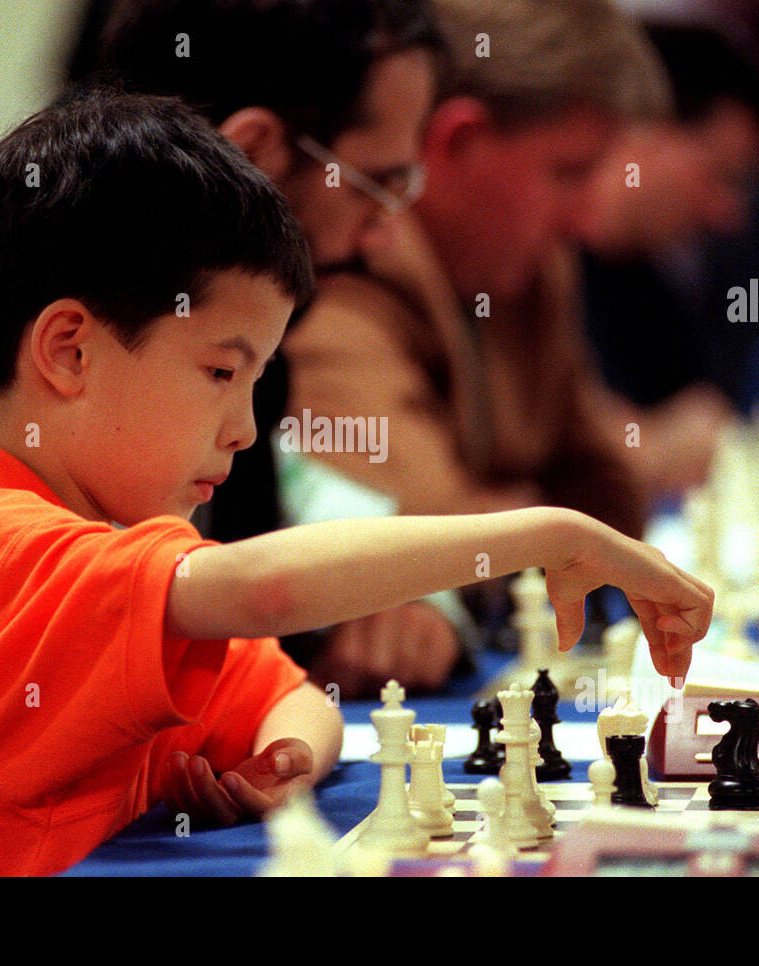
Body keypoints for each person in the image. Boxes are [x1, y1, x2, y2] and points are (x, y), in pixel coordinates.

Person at [0, 89, 712, 874]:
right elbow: (266, 595)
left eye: (257, 383)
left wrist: (282, 755)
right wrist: (548, 534)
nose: (246, 428)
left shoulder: (112, 555)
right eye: (221, 373)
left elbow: (290, 694)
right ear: (69, 351)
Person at [0, 0, 456, 874]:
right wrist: (534, 538)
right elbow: (244, 587)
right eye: (379, 183)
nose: (385, 238)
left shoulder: (136, 335)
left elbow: (259, 625)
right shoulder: (21, 418)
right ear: (260, 150)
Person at [283, 0, 669, 646]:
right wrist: (532, 519)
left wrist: (512, 515)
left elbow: (609, 503)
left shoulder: (531, 274)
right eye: (569, 171)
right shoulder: (347, 263)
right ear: (459, 140)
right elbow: (419, 540)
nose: (588, 221)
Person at [579, 19, 759, 496]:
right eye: (721, 176)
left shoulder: (649, 280)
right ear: (642, 133)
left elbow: (709, 416)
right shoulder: (532, 269)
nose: (729, 215)